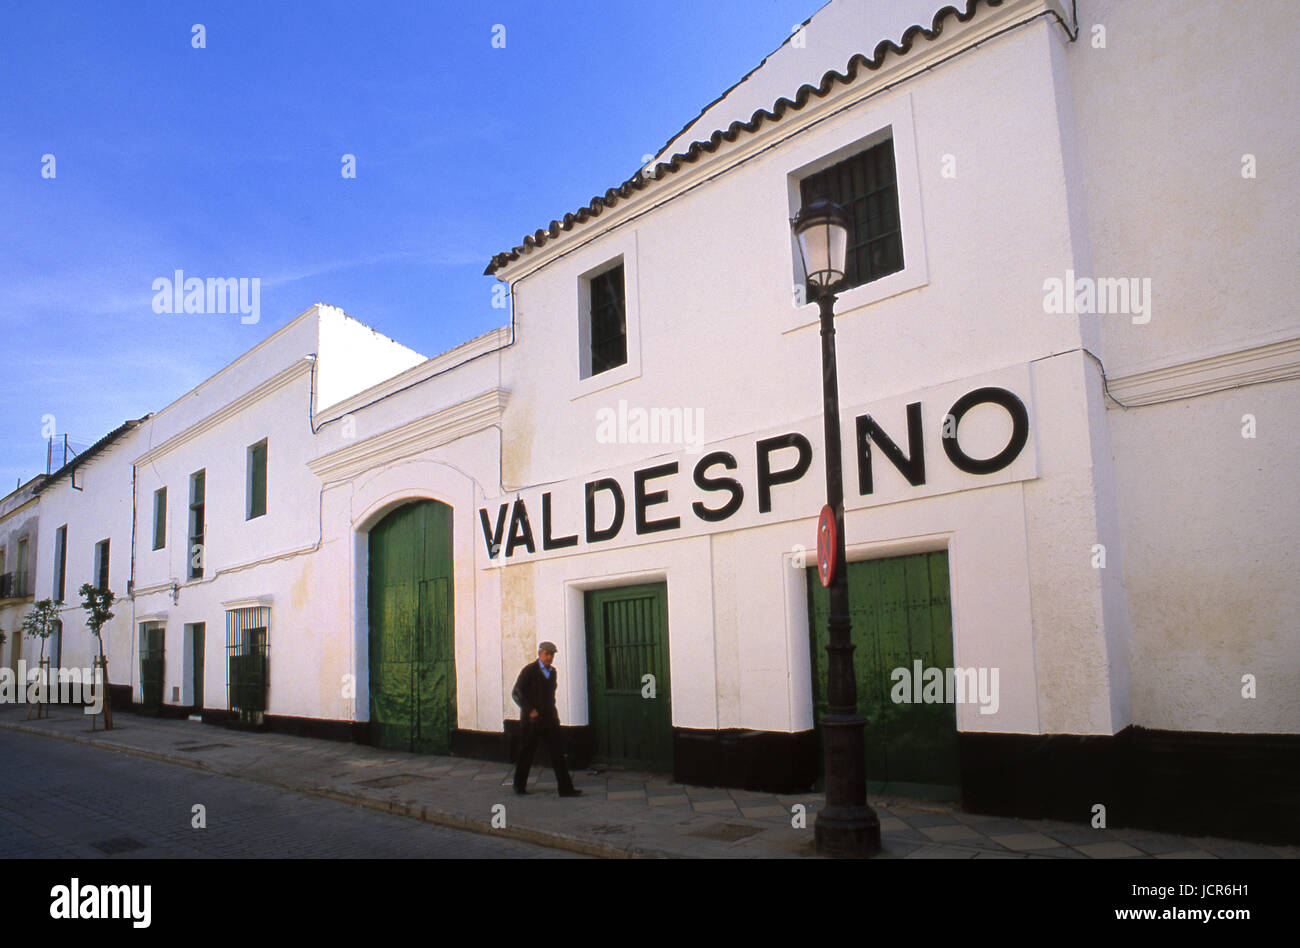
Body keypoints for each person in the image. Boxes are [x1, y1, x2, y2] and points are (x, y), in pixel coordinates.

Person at [512, 642, 582, 797]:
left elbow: (550, 696)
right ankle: (519, 785)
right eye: (546, 654)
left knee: (558, 754)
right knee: (527, 753)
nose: (549, 657)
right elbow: (516, 693)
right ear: (540, 654)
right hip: (532, 722)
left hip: (550, 720)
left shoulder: (553, 672)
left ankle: (566, 789)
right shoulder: (529, 671)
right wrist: (530, 710)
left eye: (552, 655)